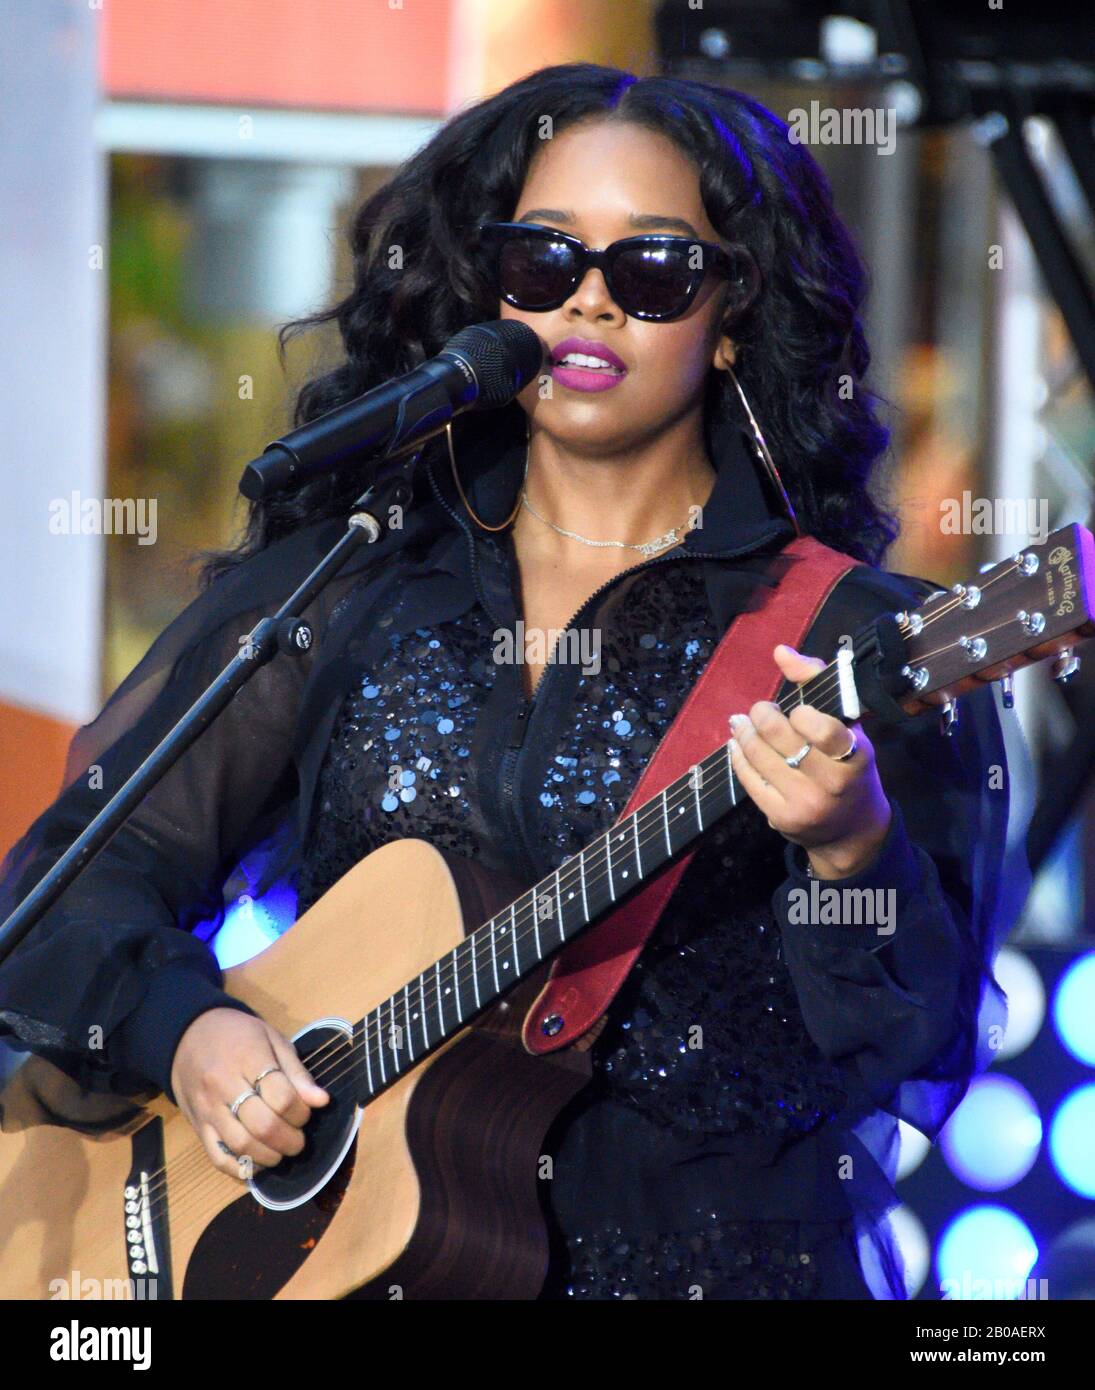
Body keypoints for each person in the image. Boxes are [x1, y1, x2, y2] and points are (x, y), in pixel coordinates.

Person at [0, 63, 1011, 1300]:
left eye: (651, 273)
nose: (589, 306)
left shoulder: (848, 641)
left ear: (733, 310)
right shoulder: (358, 583)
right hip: (351, 1267)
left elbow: (907, 1048)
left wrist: (855, 850)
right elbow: (66, 891)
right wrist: (191, 1030)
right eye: (543, 263)